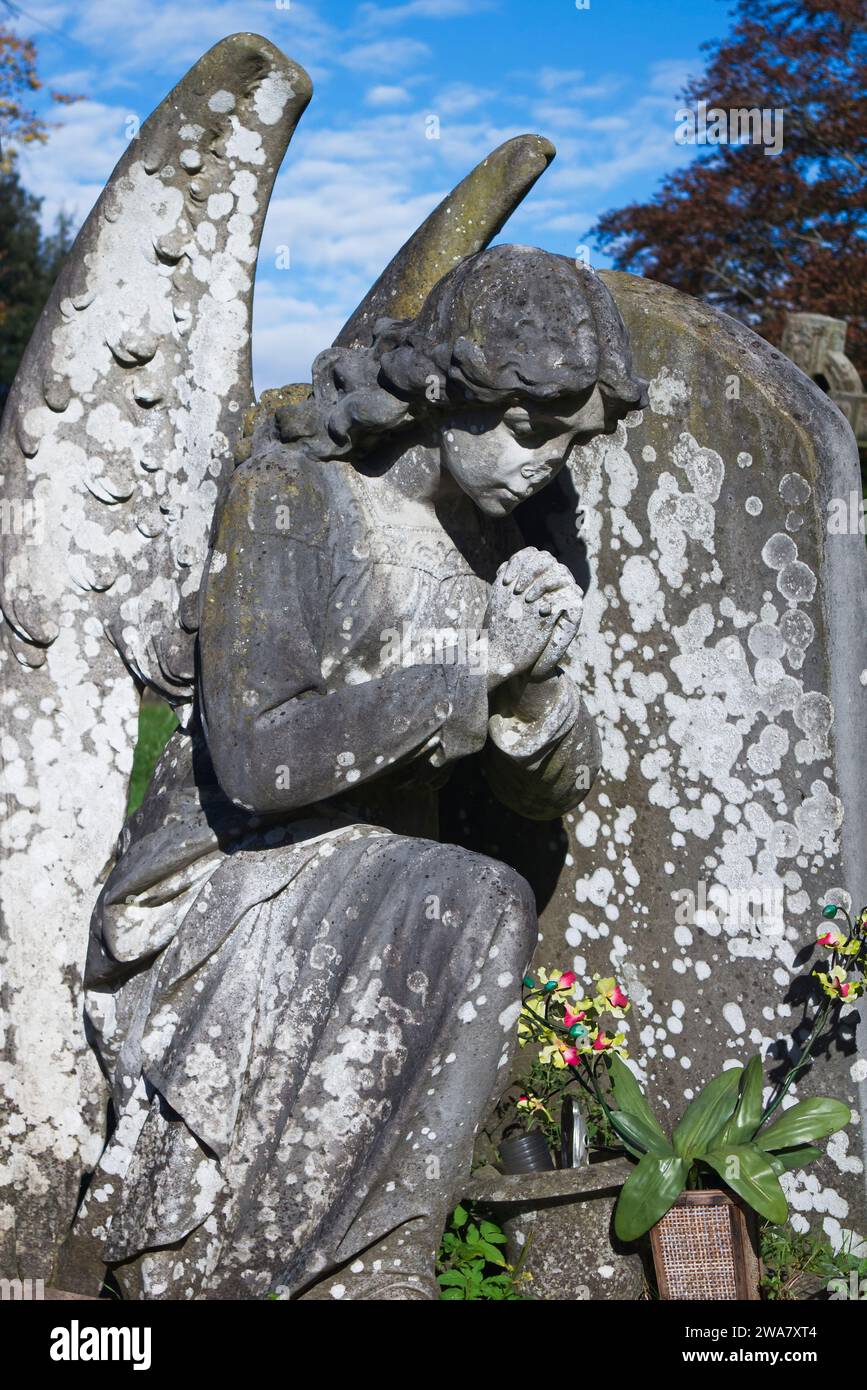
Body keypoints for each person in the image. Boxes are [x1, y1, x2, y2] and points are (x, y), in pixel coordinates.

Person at [68, 245, 647, 1300]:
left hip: (394, 877)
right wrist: (475, 668)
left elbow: (548, 786)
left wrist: (530, 691)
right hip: (240, 870)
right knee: (475, 900)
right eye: (528, 427)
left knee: (470, 897)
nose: (544, 464)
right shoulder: (297, 497)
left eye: (572, 441)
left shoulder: (516, 536)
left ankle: (379, 1267)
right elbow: (258, 758)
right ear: (444, 391)